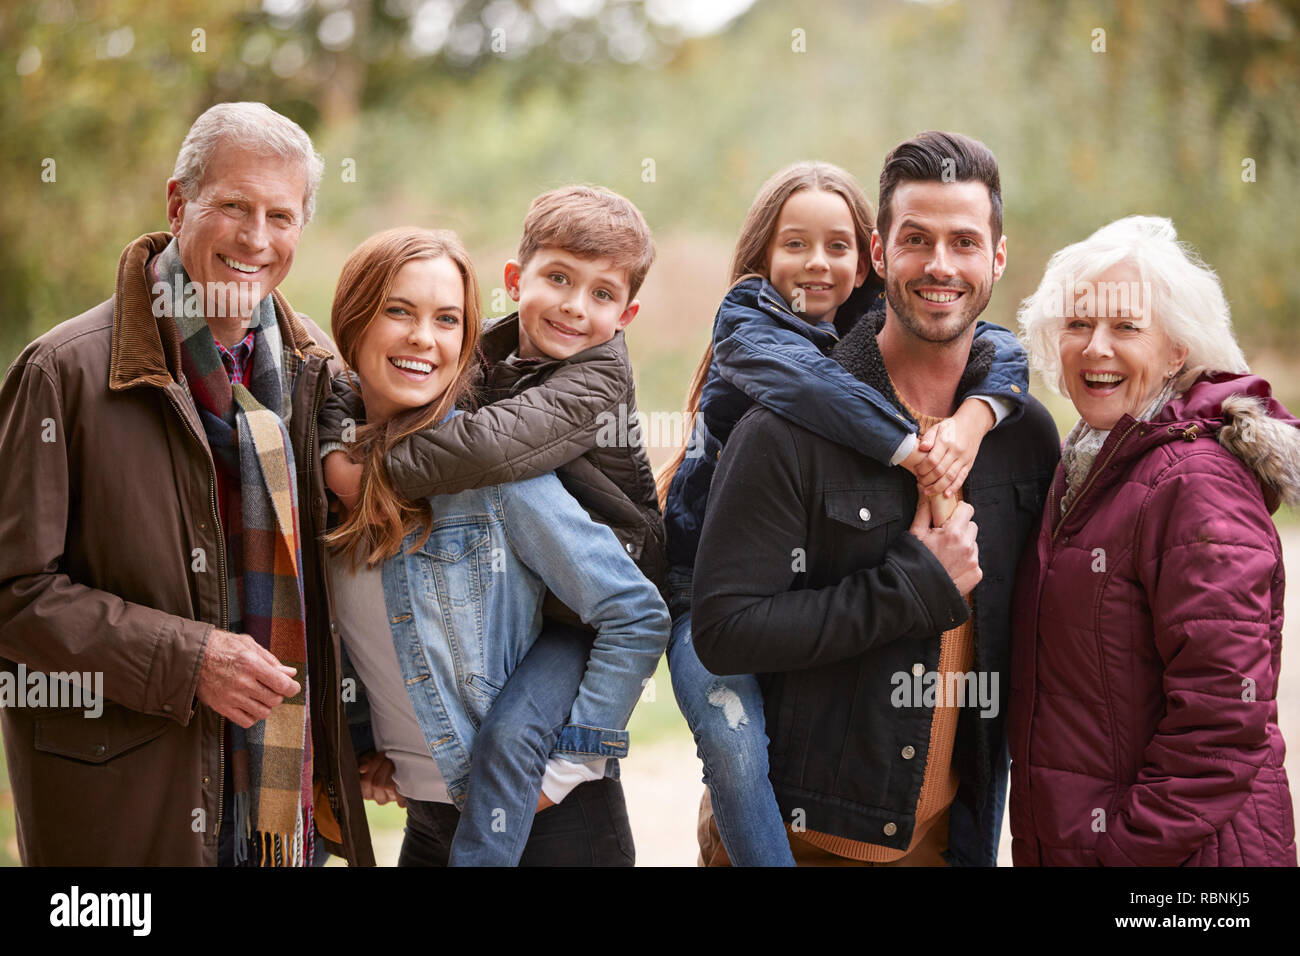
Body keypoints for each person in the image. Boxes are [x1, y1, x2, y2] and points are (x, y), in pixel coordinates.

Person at [0, 102, 373, 866]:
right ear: (178, 205)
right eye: (232, 206)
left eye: (281, 215)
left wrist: (370, 734)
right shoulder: (63, 372)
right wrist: (189, 659)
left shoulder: (318, 375)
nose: (256, 239)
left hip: (281, 811)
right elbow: (13, 593)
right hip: (130, 810)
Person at [691, 131, 1061, 866]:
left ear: (998, 257)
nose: (940, 265)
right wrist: (914, 586)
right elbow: (725, 629)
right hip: (802, 842)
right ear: (880, 252)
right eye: (917, 239)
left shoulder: (1024, 436)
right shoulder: (790, 427)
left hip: (952, 841)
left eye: (963, 241)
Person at [318, 186, 670, 865]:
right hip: (428, 817)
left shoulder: (543, 426)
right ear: (516, 282)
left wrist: (569, 769)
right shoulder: (322, 465)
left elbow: (492, 448)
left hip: (557, 807)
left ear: (624, 315)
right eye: (399, 312)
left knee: (514, 733)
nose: (426, 337)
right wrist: (371, 741)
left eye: (445, 319)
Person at [1008, 215, 1298, 866]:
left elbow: (1223, 724)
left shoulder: (1196, 482)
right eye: (1078, 324)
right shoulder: (1088, 462)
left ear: (1177, 351)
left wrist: (1118, 858)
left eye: (1125, 326)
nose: (1095, 347)